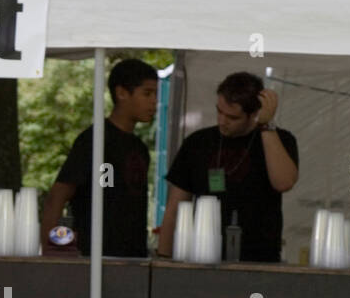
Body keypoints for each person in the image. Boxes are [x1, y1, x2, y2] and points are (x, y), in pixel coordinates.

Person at [157, 72, 299, 261]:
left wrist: (266, 126)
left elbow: (283, 182)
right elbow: (175, 207)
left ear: (254, 114)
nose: (222, 121)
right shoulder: (198, 143)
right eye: (219, 111)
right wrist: (163, 257)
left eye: (232, 117)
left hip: (259, 257)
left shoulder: (279, 139)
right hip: (202, 256)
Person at [40, 58, 159, 257]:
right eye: (147, 93)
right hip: (93, 257)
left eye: (155, 94)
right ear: (121, 93)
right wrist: (49, 252)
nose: (154, 101)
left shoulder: (140, 148)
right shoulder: (93, 140)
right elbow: (56, 197)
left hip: (134, 258)